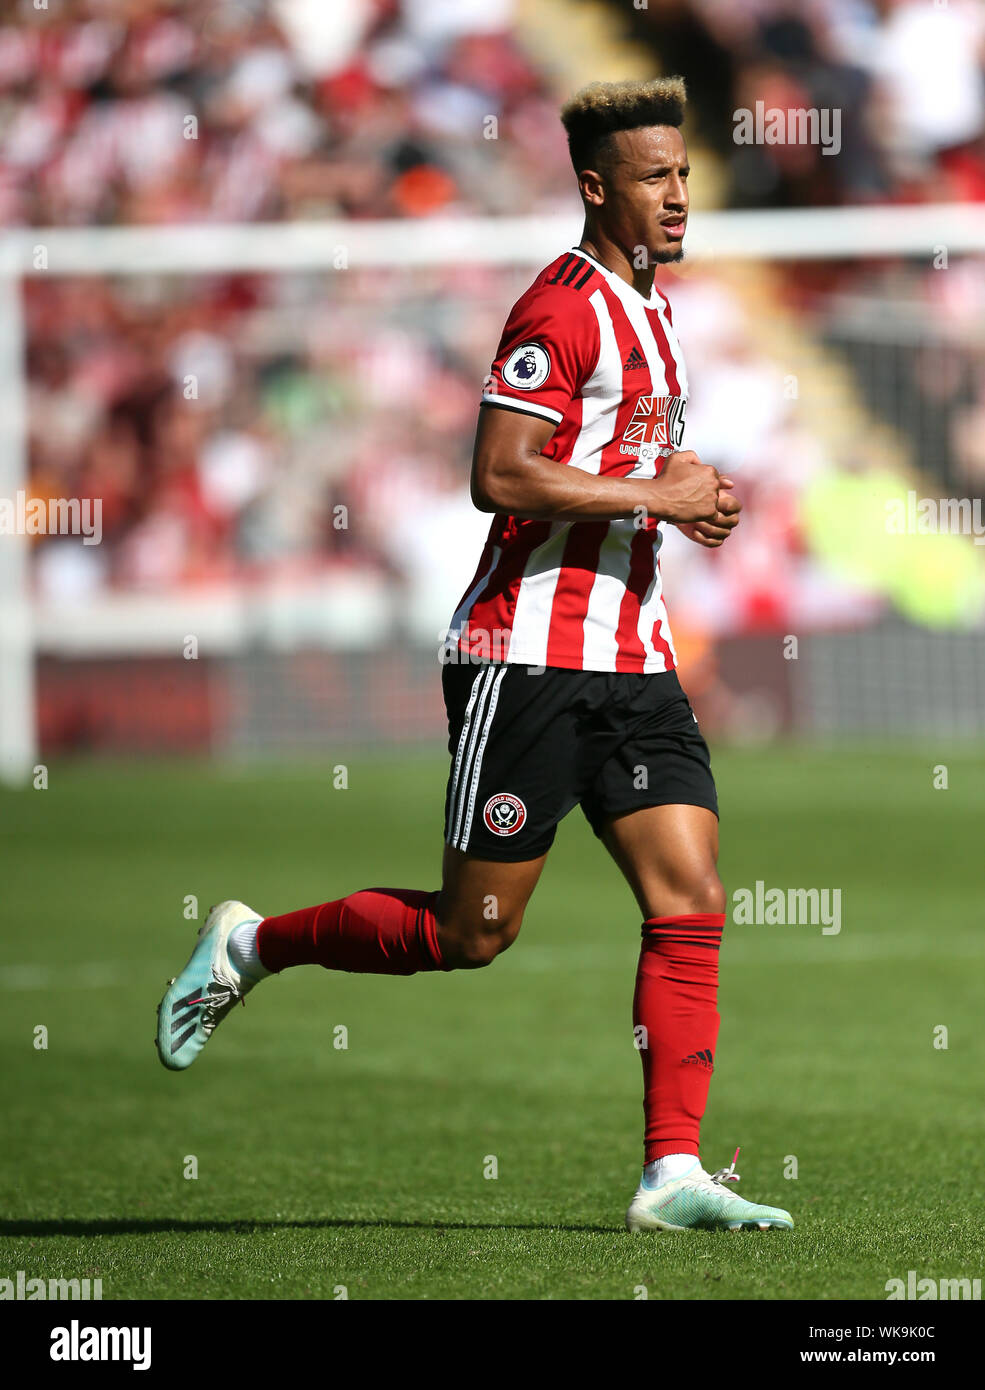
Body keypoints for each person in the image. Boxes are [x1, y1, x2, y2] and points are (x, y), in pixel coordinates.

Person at [156, 76, 793, 1235]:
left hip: (634, 657)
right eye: (654, 178)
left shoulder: (655, 308)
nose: (678, 197)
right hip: (526, 659)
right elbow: (497, 474)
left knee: (690, 894)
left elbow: (620, 477)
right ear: (596, 188)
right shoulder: (559, 309)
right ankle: (250, 943)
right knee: (472, 934)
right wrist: (655, 490)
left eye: (685, 173)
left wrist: (683, 504)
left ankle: (671, 1173)